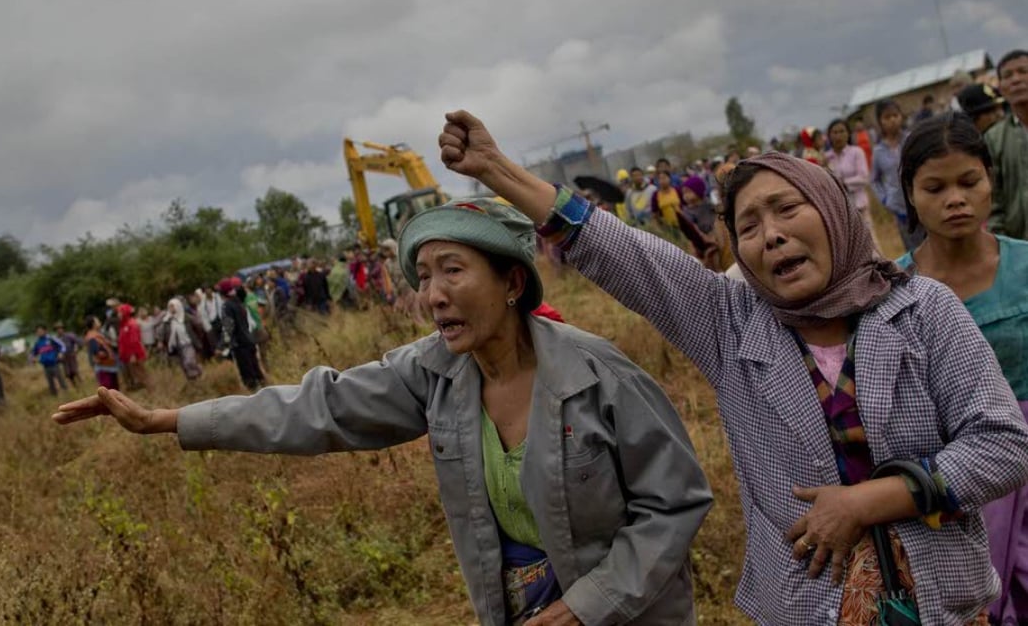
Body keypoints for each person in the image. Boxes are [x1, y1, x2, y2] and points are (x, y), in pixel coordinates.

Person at [435, 109, 1028, 624]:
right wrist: (496, 170)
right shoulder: (731, 323)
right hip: (805, 606)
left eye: (787, 209)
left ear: (832, 210)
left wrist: (868, 502)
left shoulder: (923, 310)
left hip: (944, 600)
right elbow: (615, 247)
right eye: (748, 226)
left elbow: (1003, 445)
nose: (771, 236)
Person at [54, 196, 713, 626]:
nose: (432, 295)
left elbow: (675, 503)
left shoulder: (598, 375)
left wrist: (583, 607)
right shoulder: (434, 374)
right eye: (423, 276)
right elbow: (316, 410)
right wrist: (167, 419)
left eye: (453, 270)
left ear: (512, 282)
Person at [895, 113, 1028, 624]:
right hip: (957, 482)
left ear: (990, 180)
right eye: (936, 187)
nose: (956, 198)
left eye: (969, 181)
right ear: (910, 194)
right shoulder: (894, 293)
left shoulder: (1023, 267)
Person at [986, 49, 1028, 241]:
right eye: (1008, 76)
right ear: (1001, 88)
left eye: (1023, 71)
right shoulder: (994, 139)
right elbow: (994, 202)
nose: (1016, 79)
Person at [871, 99, 923, 251]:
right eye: (887, 117)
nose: (892, 120)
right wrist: (886, 199)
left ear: (901, 116)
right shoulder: (878, 151)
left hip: (921, 200)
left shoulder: (912, 140)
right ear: (880, 122)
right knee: (913, 249)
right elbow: (874, 180)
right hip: (900, 208)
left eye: (895, 115)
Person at [824, 118, 875, 240]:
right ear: (829, 136)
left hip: (859, 206)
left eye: (842, 131)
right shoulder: (826, 158)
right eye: (834, 133)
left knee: (870, 243)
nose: (838, 136)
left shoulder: (856, 152)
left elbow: (863, 178)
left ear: (848, 134)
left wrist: (843, 183)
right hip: (839, 210)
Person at [219, 278, 264, 391]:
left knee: (248, 376)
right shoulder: (239, 301)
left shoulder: (227, 306)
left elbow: (228, 327)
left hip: (240, 344)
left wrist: (222, 345)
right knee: (256, 371)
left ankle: (257, 401)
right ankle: (267, 393)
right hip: (249, 340)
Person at [164, 299, 203, 382]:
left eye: (172, 306)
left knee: (189, 362)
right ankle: (192, 380)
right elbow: (165, 333)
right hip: (176, 346)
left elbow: (198, 326)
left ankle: (198, 370)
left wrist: (196, 338)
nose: (171, 309)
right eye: (169, 307)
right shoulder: (167, 320)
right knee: (183, 365)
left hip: (188, 343)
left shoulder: (186, 317)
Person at [116, 304, 150, 391]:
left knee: (141, 373)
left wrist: (133, 355)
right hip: (128, 356)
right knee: (136, 374)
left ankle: (151, 390)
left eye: (120, 312)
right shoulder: (123, 325)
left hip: (135, 355)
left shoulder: (132, 324)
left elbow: (134, 341)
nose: (118, 315)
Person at [30, 324, 69, 396]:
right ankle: (55, 397)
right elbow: (33, 353)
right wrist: (32, 358)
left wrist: (61, 353)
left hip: (55, 364)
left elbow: (62, 345)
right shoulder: (37, 343)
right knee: (51, 384)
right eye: (37, 332)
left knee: (61, 381)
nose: (39, 333)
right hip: (45, 366)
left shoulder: (51, 339)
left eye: (40, 331)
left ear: (45, 331)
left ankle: (67, 394)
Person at [84, 316, 119, 390]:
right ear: (93, 324)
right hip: (104, 366)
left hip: (109, 364)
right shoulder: (92, 337)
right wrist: (106, 354)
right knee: (108, 389)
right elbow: (96, 352)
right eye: (97, 321)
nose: (99, 322)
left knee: (114, 389)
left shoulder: (98, 334)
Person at [54, 322, 82, 388]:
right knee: (68, 374)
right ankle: (75, 386)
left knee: (75, 370)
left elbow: (77, 342)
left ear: (63, 329)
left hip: (71, 355)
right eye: (57, 329)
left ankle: (81, 383)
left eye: (60, 328)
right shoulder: (55, 340)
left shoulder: (69, 335)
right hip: (64, 358)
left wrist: (76, 348)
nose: (59, 330)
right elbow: (55, 349)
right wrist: (58, 356)